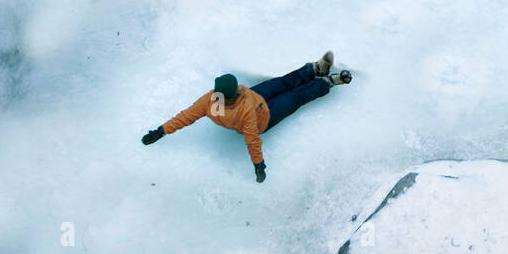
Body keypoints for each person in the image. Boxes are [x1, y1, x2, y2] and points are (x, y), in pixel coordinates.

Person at [140, 53, 352, 183]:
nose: (241, 88)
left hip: (257, 96)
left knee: (284, 81)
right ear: (233, 95)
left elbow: (183, 117)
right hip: (265, 117)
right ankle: (328, 82)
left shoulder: (209, 99)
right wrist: (259, 165)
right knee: (294, 96)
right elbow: (252, 139)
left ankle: (314, 69)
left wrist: (160, 131)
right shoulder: (244, 113)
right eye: (238, 89)